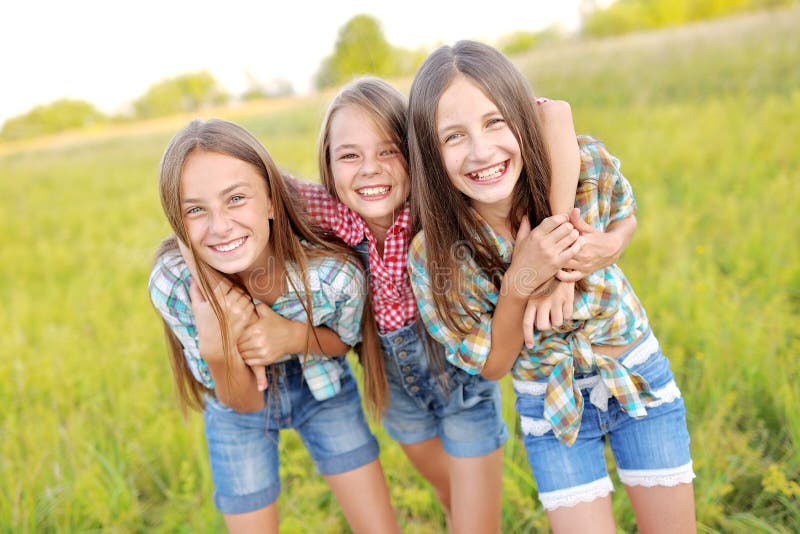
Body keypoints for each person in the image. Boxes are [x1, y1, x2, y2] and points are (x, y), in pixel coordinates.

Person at [407, 41, 696, 534]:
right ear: (430, 154)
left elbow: (624, 218)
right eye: (453, 136)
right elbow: (494, 364)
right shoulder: (435, 253)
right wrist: (524, 280)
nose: (481, 151)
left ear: (522, 117)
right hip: (549, 401)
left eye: (495, 122)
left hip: (633, 369)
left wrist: (606, 248)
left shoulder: (579, 165)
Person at [283, 76, 581, 533]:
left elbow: (552, 113)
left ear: (418, 153)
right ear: (328, 163)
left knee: (476, 524)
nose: (370, 169)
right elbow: (258, 184)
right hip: (398, 394)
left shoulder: (435, 202)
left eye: (388, 150)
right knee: (449, 498)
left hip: (465, 384)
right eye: (349, 155)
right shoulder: (333, 214)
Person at [148, 118, 400, 533]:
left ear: (270, 200)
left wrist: (290, 336)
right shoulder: (172, 285)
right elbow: (243, 403)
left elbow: (345, 342)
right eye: (195, 210)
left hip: (323, 386)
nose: (220, 225)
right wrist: (217, 345)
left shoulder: (332, 276)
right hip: (233, 401)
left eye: (235, 199)